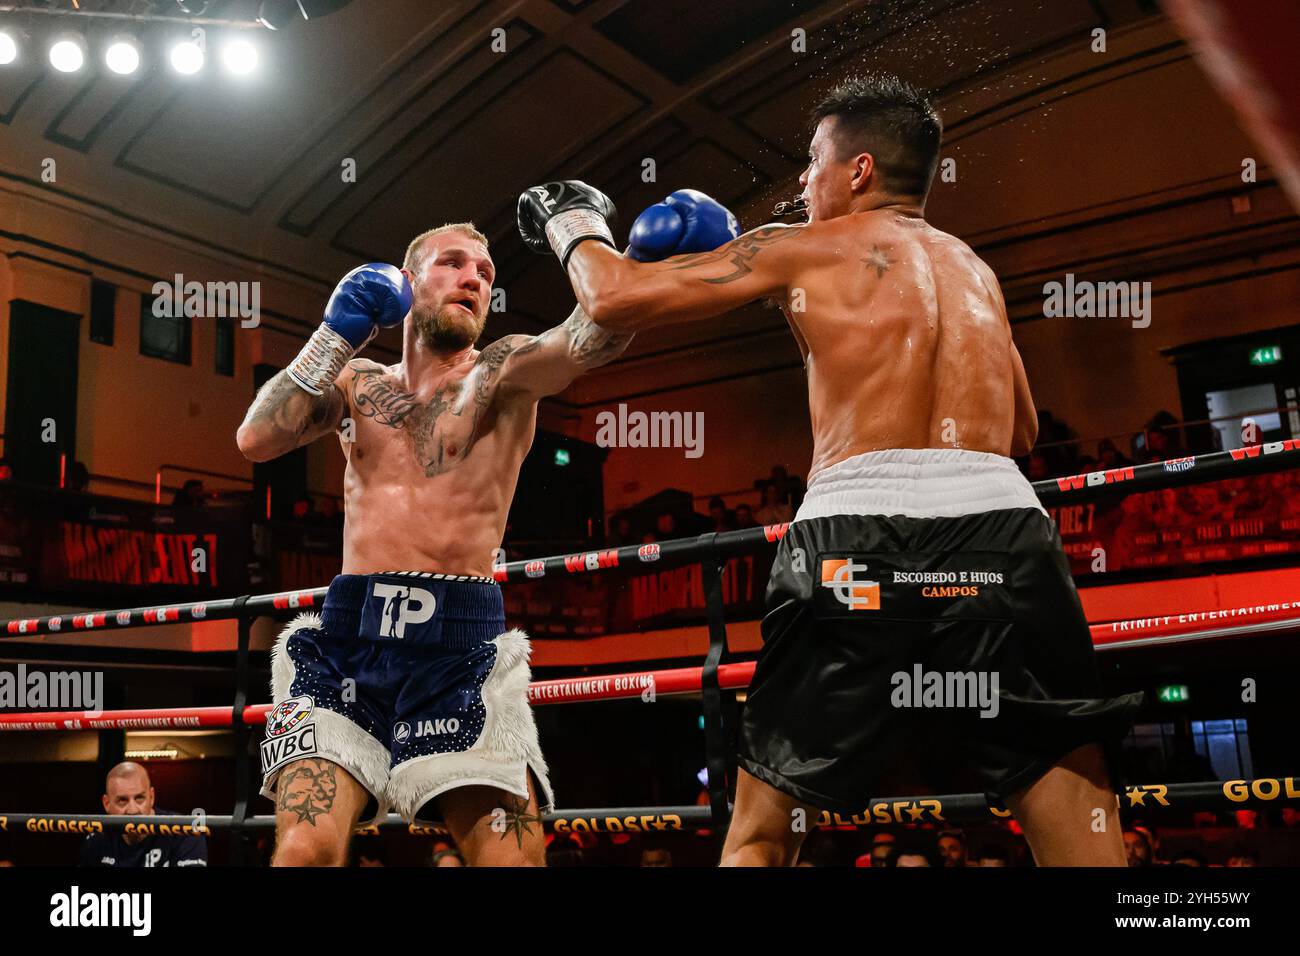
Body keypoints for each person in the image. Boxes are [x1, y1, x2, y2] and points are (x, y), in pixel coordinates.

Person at [519, 73, 1141, 866]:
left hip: (856, 537)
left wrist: (570, 217)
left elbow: (609, 297)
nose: (804, 181)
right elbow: (1018, 427)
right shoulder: (975, 270)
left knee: (762, 830)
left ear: (858, 172)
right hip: (1001, 529)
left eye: (813, 161)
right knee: (1070, 797)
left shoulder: (798, 248)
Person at [236, 224, 645, 867]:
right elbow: (257, 439)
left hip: (459, 649)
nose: (475, 279)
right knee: (304, 849)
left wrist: (634, 262)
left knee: (511, 860)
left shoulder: (503, 372)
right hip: (346, 642)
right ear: (408, 284)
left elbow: (592, 340)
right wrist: (334, 335)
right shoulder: (356, 384)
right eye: (453, 263)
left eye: (485, 272)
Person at [79, 762, 207, 867]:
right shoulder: (97, 839)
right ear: (107, 804)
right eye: (122, 800)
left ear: (151, 797)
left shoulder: (185, 833)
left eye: (139, 798)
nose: (133, 810)